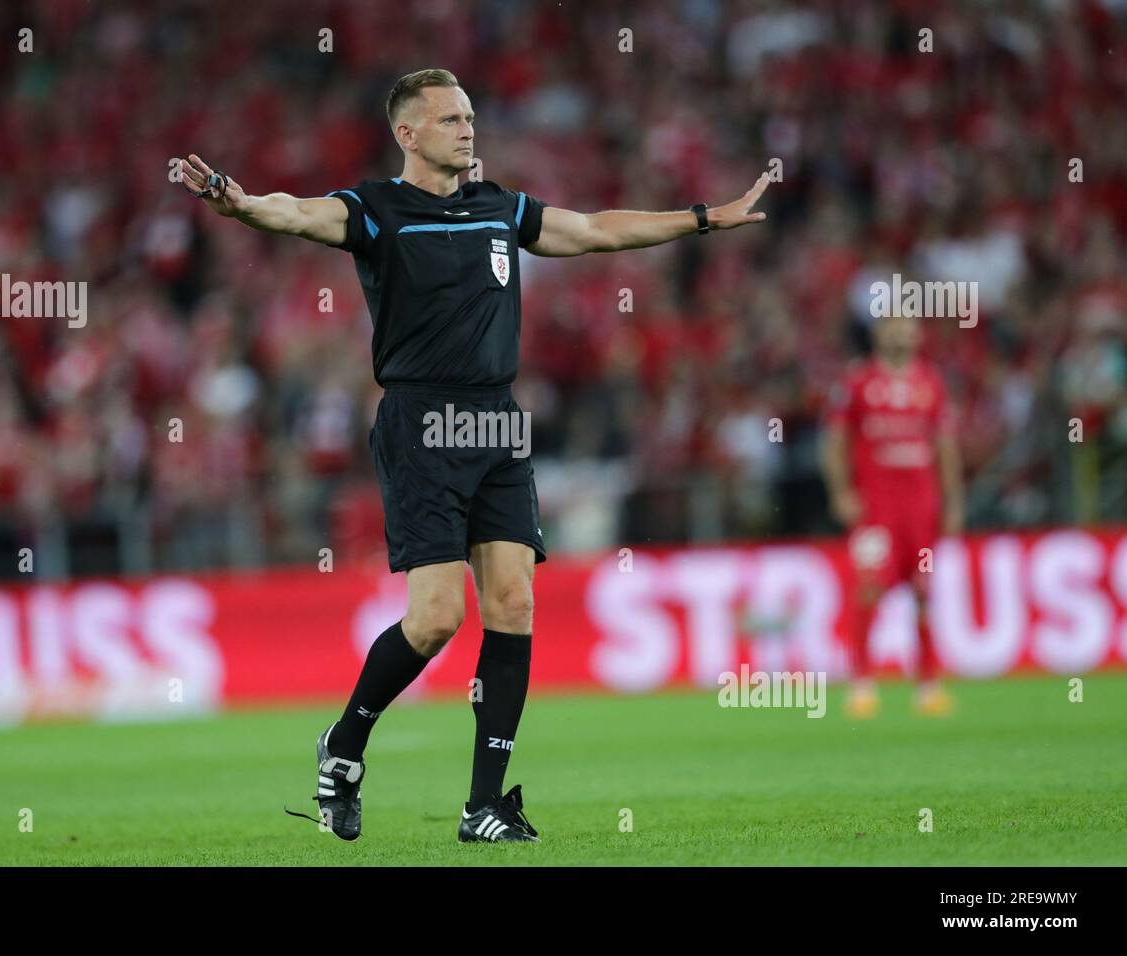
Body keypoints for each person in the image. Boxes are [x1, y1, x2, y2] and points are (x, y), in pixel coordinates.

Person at [175, 68, 770, 842]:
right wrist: (244, 204)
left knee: (515, 603)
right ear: (408, 134)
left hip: (496, 419)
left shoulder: (501, 207)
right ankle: (344, 742)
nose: (468, 129)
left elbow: (594, 230)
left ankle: (484, 804)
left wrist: (703, 218)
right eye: (450, 119)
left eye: (470, 116)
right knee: (435, 618)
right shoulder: (376, 210)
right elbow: (297, 215)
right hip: (422, 420)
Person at [822, 313, 965, 719]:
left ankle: (928, 686)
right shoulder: (856, 383)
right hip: (875, 508)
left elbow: (946, 447)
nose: (901, 332)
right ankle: (862, 684)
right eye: (892, 326)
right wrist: (841, 492)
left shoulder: (931, 383)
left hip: (921, 507)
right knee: (869, 588)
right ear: (878, 334)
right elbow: (835, 442)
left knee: (923, 592)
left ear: (918, 334)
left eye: (907, 325)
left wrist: (952, 502)